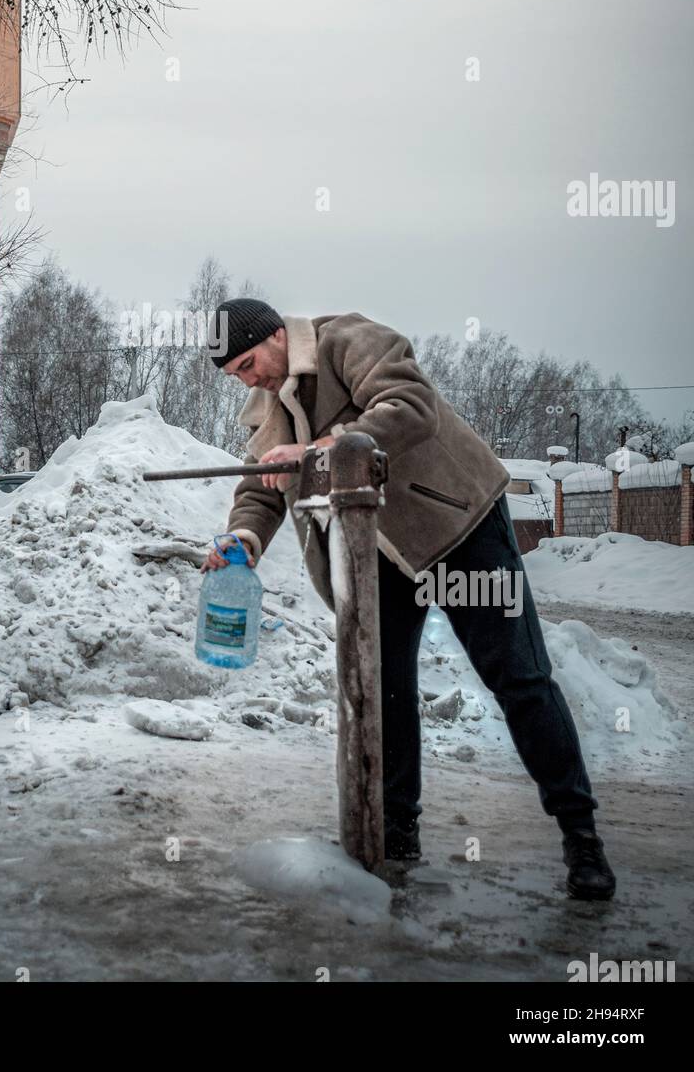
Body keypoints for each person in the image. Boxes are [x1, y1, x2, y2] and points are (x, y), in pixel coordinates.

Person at [201, 297, 615, 900]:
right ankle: (395, 837)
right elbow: (262, 487)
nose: (248, 379)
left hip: (458, 527)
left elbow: (407, 405)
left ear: (274, 336)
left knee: (519, 678)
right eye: (236, 374)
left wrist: (321, 447)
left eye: (247, 363)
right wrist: (242, 535)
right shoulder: (268, 410)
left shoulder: (346, 339)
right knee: (381, 690)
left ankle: (582, 837)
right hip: (379, 553)